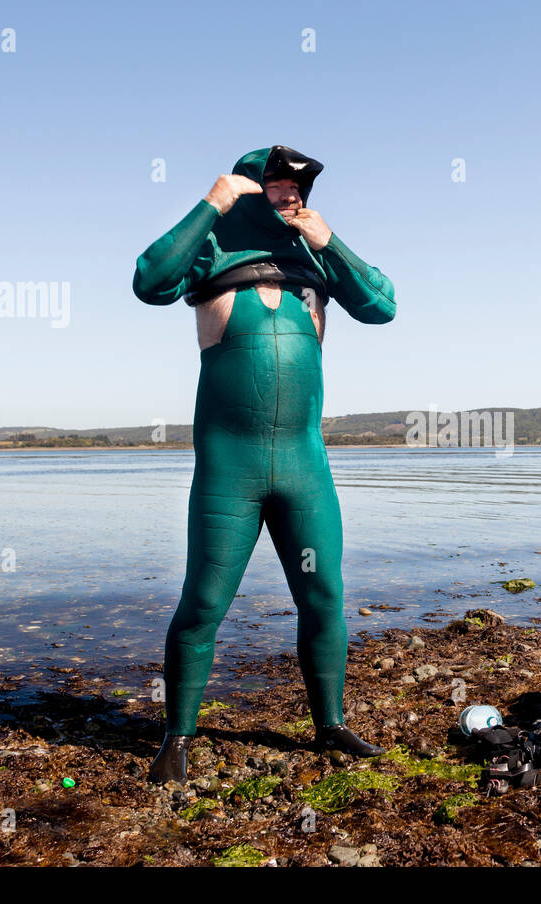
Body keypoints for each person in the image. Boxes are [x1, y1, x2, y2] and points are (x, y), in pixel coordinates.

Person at [132, 145, 395, 784]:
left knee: (324, 595)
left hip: (306, 467)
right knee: (202, 602)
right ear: (249, 186)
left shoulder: (313, 255)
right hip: (231, 471)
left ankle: (329, 726)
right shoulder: (211, 250)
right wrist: (211, 203)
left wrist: (330, 242)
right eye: (276, 183)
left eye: (299, 185)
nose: (290, 193)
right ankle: (178, 737)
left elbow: (381, 305)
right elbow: (148, 281)